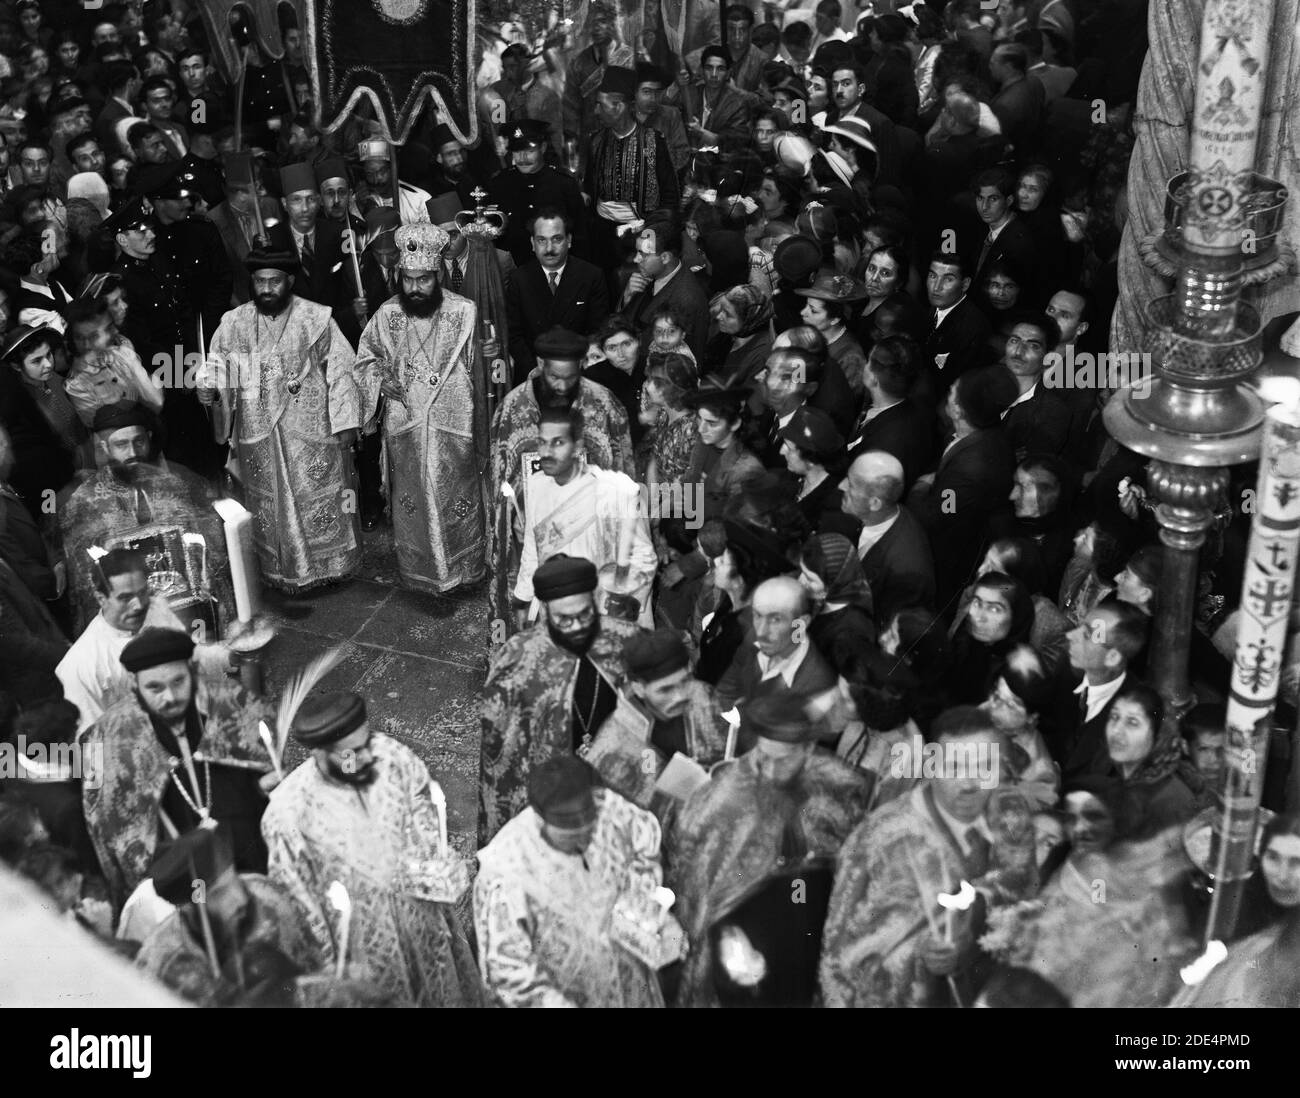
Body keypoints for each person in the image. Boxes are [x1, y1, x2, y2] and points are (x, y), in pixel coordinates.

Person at [262, 691, 484, 1008]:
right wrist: (334, 976)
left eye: (367, 742)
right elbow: (302, 909)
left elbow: (425, 825)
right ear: (319, 754)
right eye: (352, 753)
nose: (368, 757)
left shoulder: (392, 757)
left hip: (421, 921)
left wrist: (438, 866)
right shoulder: (289, 817)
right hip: (364, 952)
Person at [671, 691, 871, 1006]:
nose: (772, 771)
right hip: (749, 921)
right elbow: (705, 885)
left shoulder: (838, 785)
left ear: (808, 748)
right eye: (765, 757)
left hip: (810, 915)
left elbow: (853, 861)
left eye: (784, 759)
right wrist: (726, 931)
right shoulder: (723, 800)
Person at [820, 706, 1019, 1007]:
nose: (969, 783)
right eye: (954, 767)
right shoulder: (882, 837)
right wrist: (916, 951)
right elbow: (838, 952)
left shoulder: (1009, 826)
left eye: (984, 766)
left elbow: (1018, 910)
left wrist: (969, 940)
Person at [202, 248, 363, 593]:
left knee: (317, 497)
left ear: (289, 280)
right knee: (268, 501)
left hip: (312, 429)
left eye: (273, 281)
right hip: (258, 429)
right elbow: (218, 363)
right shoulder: (235, 322)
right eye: (259, 281)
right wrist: (210, 385)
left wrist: (346, 421)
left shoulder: (316, 317)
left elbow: (342, 369)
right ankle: (279, 568)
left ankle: (328, 564)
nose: (266, 289)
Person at [81, 627, 272, 911]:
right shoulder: (112, 737)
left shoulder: (231, 702)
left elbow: (265, 765)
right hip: (183, 871)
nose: (169, 697)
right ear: (134, 684)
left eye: (178, 681)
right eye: (155, 688)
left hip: (248, 850)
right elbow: (115, 828)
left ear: (192, 670)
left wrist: (266, 785)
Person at [354, 223, 489, 594]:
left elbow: (482, 370)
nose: (414, 288)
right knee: (411, 501)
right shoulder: (387, 314)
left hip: (454, 426)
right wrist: (379, 379)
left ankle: (465, 569)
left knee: (457, 498)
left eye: (423, 279)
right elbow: (365, 360)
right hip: (406, 426)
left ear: (438, 274)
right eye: (408, 279)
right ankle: (419, 572)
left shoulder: (464, 312)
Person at [474, 756, 670, 1007]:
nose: (585, 837)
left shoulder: (605, 809)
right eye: (571, 833)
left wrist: (637, 902)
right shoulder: (506, 874)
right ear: (541, 820)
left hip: (625, 982)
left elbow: (645, 839)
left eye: (589, 823)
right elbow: (508, 971)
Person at [479, 555, 640, 846]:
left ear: (596, 600)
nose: (576, 626)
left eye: (584, 615)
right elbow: (502, 751)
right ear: (545, 612)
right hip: (552, 785)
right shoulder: (518, 658)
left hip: (611, 774)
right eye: (564, 620)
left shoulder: (622, 640)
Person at [487, 326, 634, 626]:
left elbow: (623, 466)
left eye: (571, 377)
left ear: (582, 365)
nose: (563, 386)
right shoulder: (513, 408)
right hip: (528, 533)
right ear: (540, 364)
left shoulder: (603, 404)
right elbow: (500, 477)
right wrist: (514, 516)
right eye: (555, 377)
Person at [56, 400, 232, 632]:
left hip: (189, 614)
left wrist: (206, 576)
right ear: (104, 447)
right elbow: (85, 585)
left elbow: (212, 547)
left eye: (138, 442)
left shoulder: (178, 482)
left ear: (149, 438)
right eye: (121, 445)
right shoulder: (84, 503)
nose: (132, 453)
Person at [135, 825, 318, 1006]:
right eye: (219, 893)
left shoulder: (269, 900)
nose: (239, 898)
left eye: (234, 879)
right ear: (187, 908)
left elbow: (315, 978)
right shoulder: (158, 967)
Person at [513, 405, 656, 627]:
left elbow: (644, 558)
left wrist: (617, 608)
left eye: (558, 443)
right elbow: (533, 548)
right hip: (555, 610)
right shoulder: (537, 485)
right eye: (542, 442)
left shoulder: (613, 493)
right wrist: (522, 598)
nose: (547, 452)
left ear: (577, 446)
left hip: (602, 613)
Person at [584, 628, 728, 811]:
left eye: (685, 682)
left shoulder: (701, 693)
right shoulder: (611, 747)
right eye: (665, 690)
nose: (680, 696)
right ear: (638, 688)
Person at [585, 68, 679, 283]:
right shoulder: (595, 141)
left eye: (601, 105)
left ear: (619, 106)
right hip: (602, 235)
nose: (596, 111)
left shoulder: (654, 141)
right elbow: (590, 187)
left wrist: (657, 233)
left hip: (642, 235)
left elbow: (670, 195)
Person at [715, 575, 839, 727]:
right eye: (757, 615)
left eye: (775, 620)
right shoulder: (753, 638)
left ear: (800, 624)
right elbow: (726, 690)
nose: (761, 631)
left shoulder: (817, 687)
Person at [505, 208, 609, 383]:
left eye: (557, 239)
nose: (549, 249)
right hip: (533, 374)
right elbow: (513, 334)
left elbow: (597, 331)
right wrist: (533, 368)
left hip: (578, 373)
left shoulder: (591, 276)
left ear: (569, 240)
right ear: (532, 243)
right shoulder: (519, 279)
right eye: (541, 240)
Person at [1102, 682, 1209, 837]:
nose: (1117, 730)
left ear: (1158, 737)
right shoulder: (1121, 777)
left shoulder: (1170, 803)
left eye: (1132, 722)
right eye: (1114, 717)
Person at [841, 450, 935, 620]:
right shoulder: (871, 516)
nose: (842, 487)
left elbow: (887, 626)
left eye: (851, 485)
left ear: (875, 503)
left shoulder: (907, 572)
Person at [487, 119, 588, 269]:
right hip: (514, 271)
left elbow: (580, 237)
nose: (522, 158)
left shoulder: (564, 184)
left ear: (543, 148)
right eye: (517, 152)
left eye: (529, 151)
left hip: (556, 269)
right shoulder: (499, 184)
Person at [353, 137, 431, 225]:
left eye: (382, 171)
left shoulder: (420, 199)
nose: (376, 179)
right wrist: (360, 207)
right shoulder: (359, 200)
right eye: (370, 174)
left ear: (393, 168)